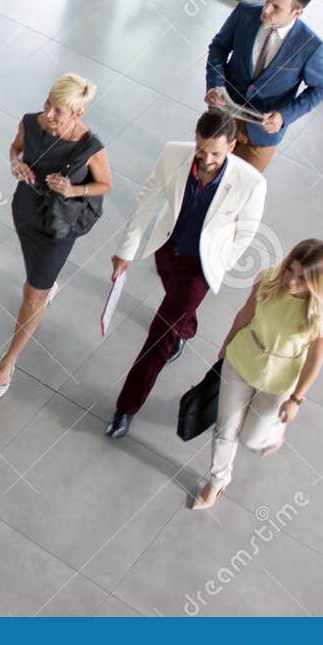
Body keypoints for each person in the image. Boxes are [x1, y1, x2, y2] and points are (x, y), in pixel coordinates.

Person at [104, 110, 267, 440]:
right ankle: (184, 328)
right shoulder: (173, 153)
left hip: (199, 269)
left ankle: (126, 407)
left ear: (232, 146)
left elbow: (245, 233)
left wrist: (215, 268)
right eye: (201, 150)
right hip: (168, 252)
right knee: (176, 313)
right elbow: (147, 201)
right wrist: (127, 251)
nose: (206, 160)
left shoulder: (251, 183)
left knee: (157, 336)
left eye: (216, 153)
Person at [193, 239, 323, 509]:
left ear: (318, 283)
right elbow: (246, 313)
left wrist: (296, 400)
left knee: (252, 439)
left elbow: (315, 360)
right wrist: (226, 346)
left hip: (280, 379)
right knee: (226, 429)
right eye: (290, 270)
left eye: (302, 278)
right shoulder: (269, 278)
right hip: (243, 359)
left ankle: (275, 433)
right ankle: (218, 480)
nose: (291, 282)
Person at [0, 74, 114, 400]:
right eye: (48, 103)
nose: (49, 114)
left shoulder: (91, 147)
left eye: (59, 110)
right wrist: (16, 164)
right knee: (38, 278)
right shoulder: (30, 123)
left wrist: (74, 189)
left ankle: (10, 358)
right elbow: (16, 149)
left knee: (32, 293)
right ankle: (47, 284)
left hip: (58, 227)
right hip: (27, 212)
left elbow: (105, 185)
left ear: (78, 114)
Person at [203, 0, 323, 172]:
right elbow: (218, 48)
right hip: (223, 116)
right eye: (267, 0)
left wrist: (283, 116)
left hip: (261, 135)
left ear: (297, 13)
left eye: (276, 7)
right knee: (205, 174)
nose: (266, 9)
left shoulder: (310, 46)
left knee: (239, 188)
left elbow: (320, 89)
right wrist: (215, 85)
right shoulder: (244, 13)